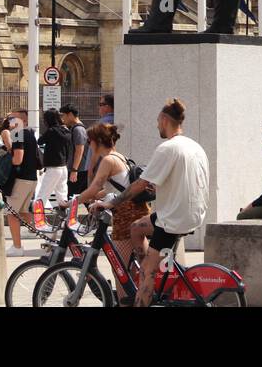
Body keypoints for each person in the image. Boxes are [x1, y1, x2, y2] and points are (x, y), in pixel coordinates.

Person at [104, 99, 209, 307]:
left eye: (157, 121)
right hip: (190, 213)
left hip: (173, 219)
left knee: (146, 271)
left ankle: (147, 276)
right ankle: (148, 267)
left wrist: (112, 202)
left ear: (164, 120)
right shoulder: (193, 145)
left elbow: (140, 184)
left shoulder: (167, 148)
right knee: (136, 228)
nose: (156, 125)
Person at [78, 123, 148, 265]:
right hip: (137, 209)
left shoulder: (108, 160)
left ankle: (132, 287)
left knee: (119, 267)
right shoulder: (120, 157)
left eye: (89, 141)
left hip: (125, 213)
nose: (88, 145)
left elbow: (94, 188)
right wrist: (97, 197)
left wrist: (72, 202)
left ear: (97, 141)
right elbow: (119, 186)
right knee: (136, 264)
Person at [5, 110, 41, 256]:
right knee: (23, 211)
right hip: (31, 178)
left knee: (12, 213)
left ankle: (17, 247)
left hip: (20, 179)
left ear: (21, 120)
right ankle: (47, 234)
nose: (9, 121)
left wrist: (7, 155)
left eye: (12, 118)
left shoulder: (18, 133)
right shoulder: (30, 133)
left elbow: (17, 159)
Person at [37, 108, 71, 208]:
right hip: (64, 167)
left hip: (53, 168)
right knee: (62, 195)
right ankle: (65, 218)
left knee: (42, 195)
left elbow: (40, 141)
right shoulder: (66, 130)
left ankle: (38, 220)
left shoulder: (51, 131)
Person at [60, 105, 90, 197]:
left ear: (70, 115)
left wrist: (74, 170)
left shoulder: (78, 129)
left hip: (79, 171)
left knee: (72, 197)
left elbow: (79, 150)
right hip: (78, 170)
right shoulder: (75, 128)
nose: (62, 119)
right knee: (81, 197)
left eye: (63, 115)